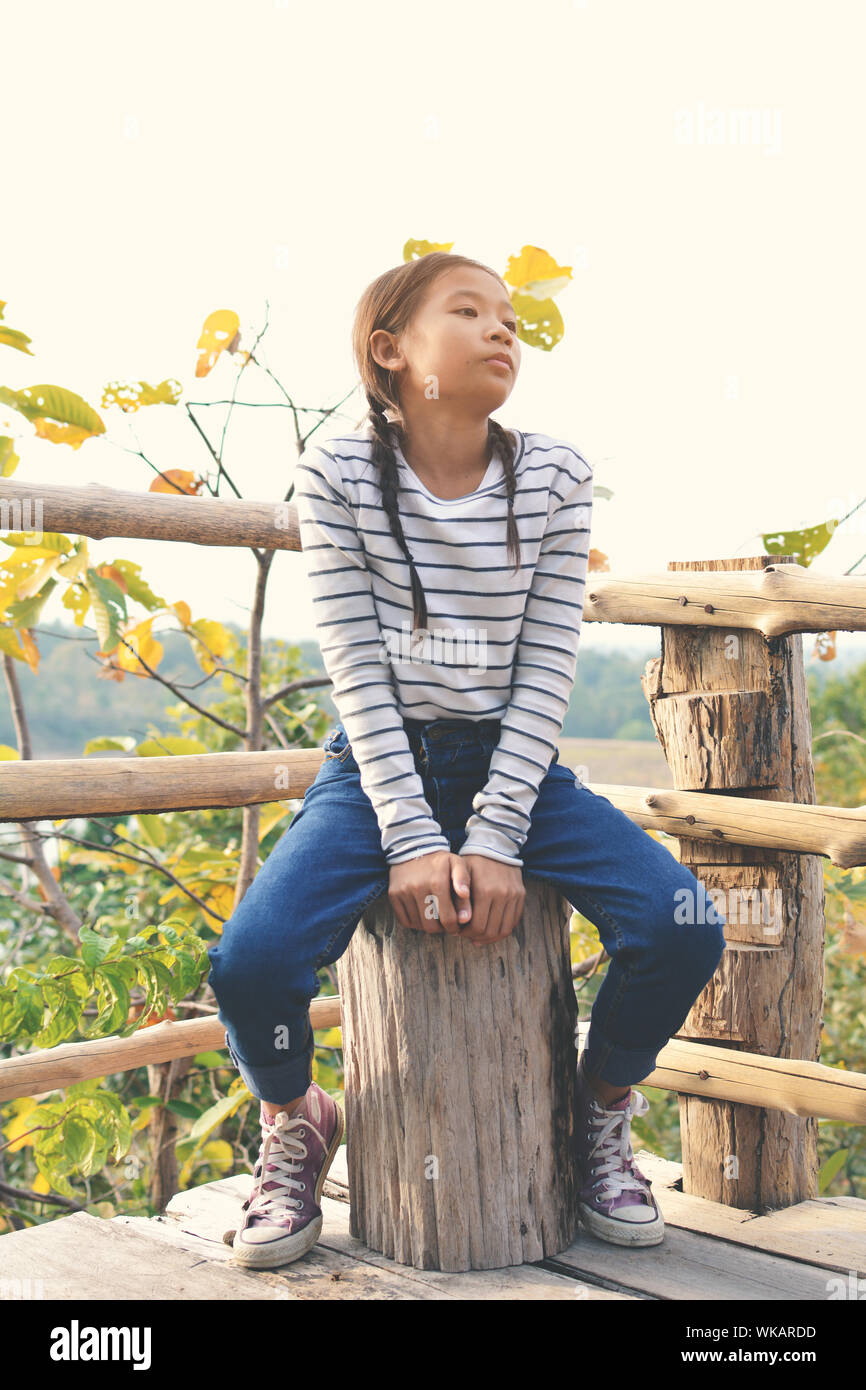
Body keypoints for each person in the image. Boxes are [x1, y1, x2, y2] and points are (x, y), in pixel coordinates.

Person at [206, 251, 727, 1268]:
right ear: (390, 349)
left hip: (515, 762)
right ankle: (295, 1120)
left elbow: (544, 673)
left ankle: (599, 1107)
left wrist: (493, 834)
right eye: (469, 310)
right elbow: (356, 673)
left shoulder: (555, 475)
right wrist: (409, 834)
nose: (502, 329)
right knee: (251, 963)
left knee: (682, 924)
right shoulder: (337, 474)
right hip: (375, 763)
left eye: (509, 319)